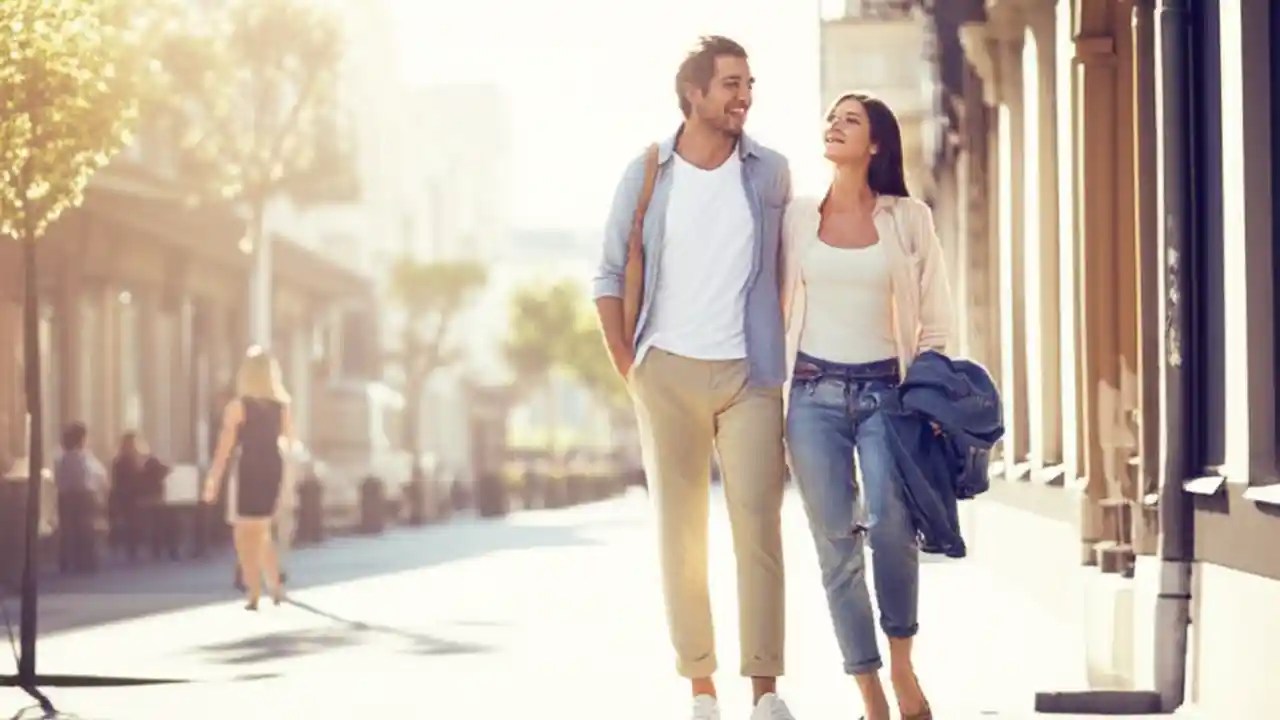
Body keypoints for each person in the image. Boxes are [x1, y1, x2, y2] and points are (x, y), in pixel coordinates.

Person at [593, 35, 795, 720]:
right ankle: (701, 689)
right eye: (731, 84)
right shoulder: (648, 172)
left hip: (749, 375)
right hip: (667, 371)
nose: (744, 97)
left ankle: (765, 692)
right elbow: (608, 274)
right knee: (680, 536)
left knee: (759, 529)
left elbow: (785, 267)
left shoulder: (770, 173)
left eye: (749, 85)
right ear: (694, 93)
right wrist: (631, 367)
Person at [779, 91, 951, 720]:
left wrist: (927, 396)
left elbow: (935, 321)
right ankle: (871, 696)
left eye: (849, 120)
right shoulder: (797, 218)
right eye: (832, 117)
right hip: (811, 396)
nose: (834, 125)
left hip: (887, 394)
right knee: (836, 548)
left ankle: (902, 664)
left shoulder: (909, 218)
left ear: (875, 143)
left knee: (891, 525)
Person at [202, 347, 294, 610]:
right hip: (273, 466)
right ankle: (275, 585)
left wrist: (213, 479)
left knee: (244, 532)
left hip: (249, 467)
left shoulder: (238, 407)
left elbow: (225, 447)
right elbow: (290, 441)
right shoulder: (282, 407)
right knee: (261, 529)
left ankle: (253, 592)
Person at [54, 422, 107, 573]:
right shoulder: (82, 457)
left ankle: (68, 560)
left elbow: (60, 479)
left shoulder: (61, 457)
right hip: (83, 496)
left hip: (66, 496)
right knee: (85, 529)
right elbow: (94, 476)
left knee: (68, 529)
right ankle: (85, 561)